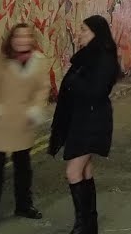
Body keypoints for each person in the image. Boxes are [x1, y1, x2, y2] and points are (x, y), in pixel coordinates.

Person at [0, 23, 50, 229]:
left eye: (26, 36)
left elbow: (43, 89)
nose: (22, 40)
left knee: (23, 167)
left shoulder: (39, 61)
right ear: (11, 39)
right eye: (18, 36)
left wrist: (35, 109)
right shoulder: (1, 58)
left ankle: (24, 205)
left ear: (32, 39)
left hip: (22, 121)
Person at [49, 16, 119, 234]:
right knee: (85, 169)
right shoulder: (87, 57)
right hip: (82, 119)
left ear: (97, 34)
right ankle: (90, 224)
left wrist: (72, 82)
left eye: (84, 30)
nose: (80, 33)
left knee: (73, 171)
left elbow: (96, 91)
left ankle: (82, 226)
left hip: (91, 121)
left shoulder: (103, 58)